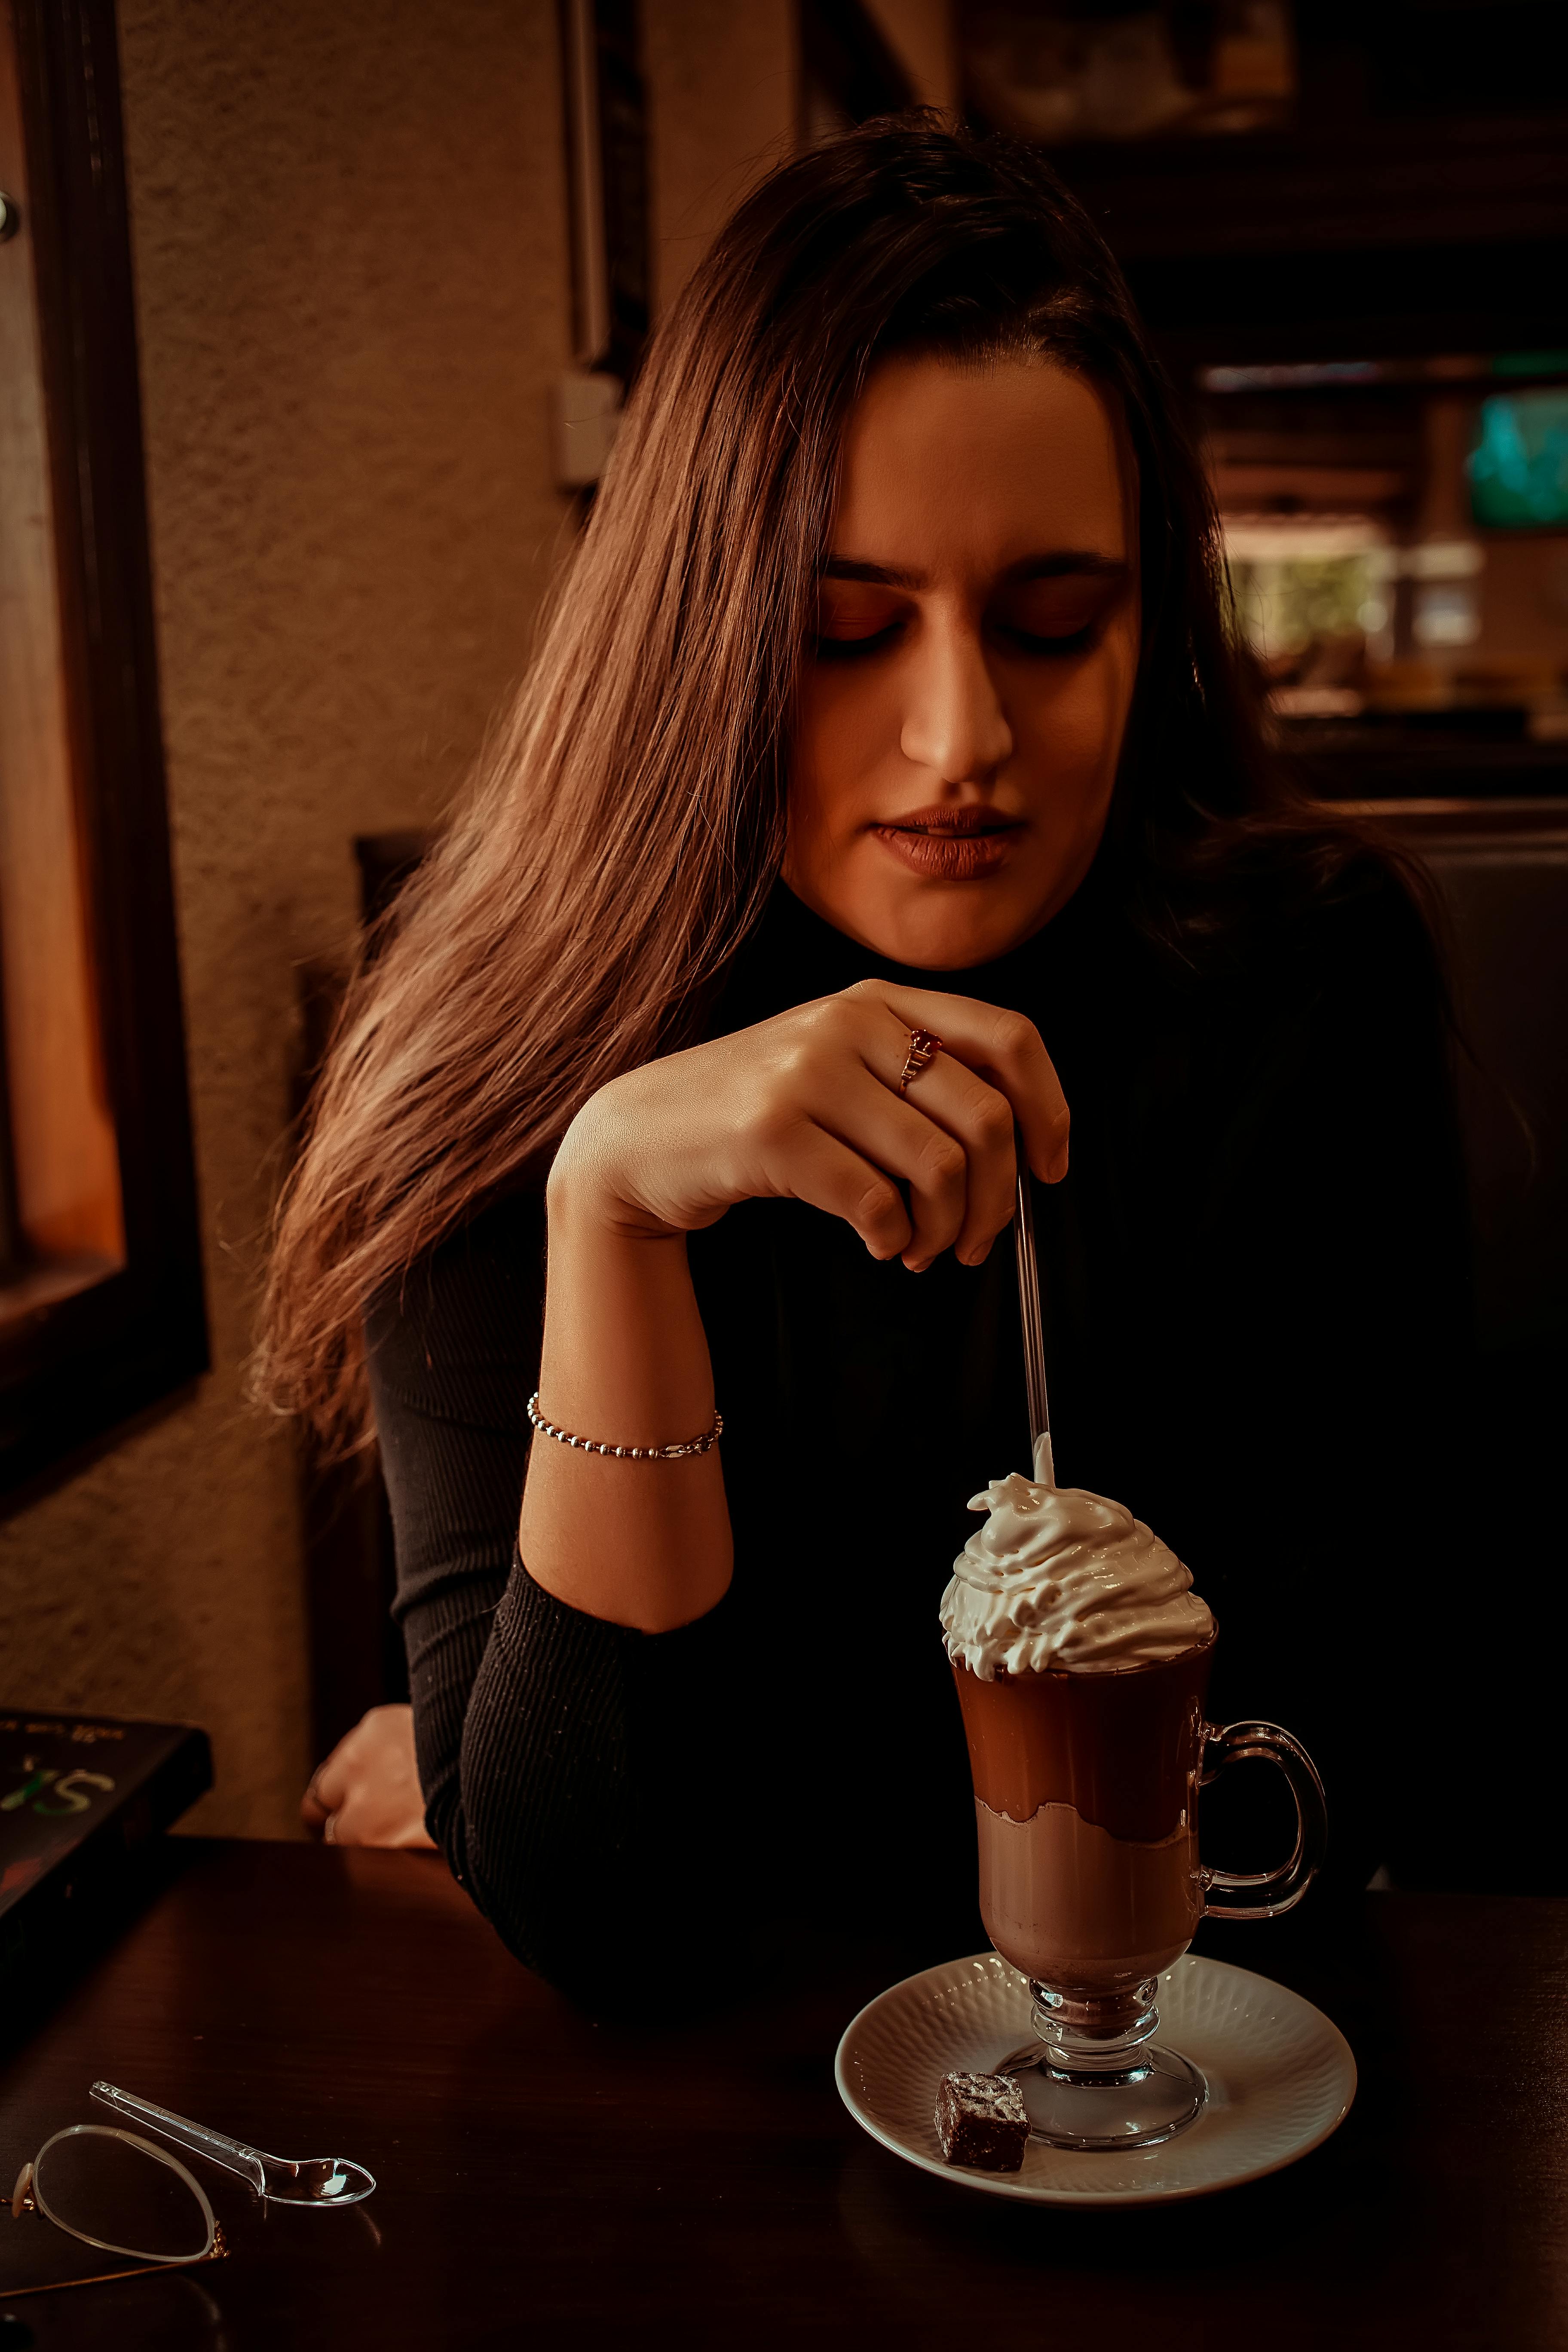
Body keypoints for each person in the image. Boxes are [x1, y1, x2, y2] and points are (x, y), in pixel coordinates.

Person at [260, 120, 1473, 1999]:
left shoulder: (1298, 974)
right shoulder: (503, 1037)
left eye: (1056, 624)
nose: (960, 735)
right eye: (845, 632)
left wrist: (504, 1747)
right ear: (702, 632)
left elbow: (1346, 1756)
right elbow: (608, 1916)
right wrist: (613, 1211)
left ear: (1156, 619)